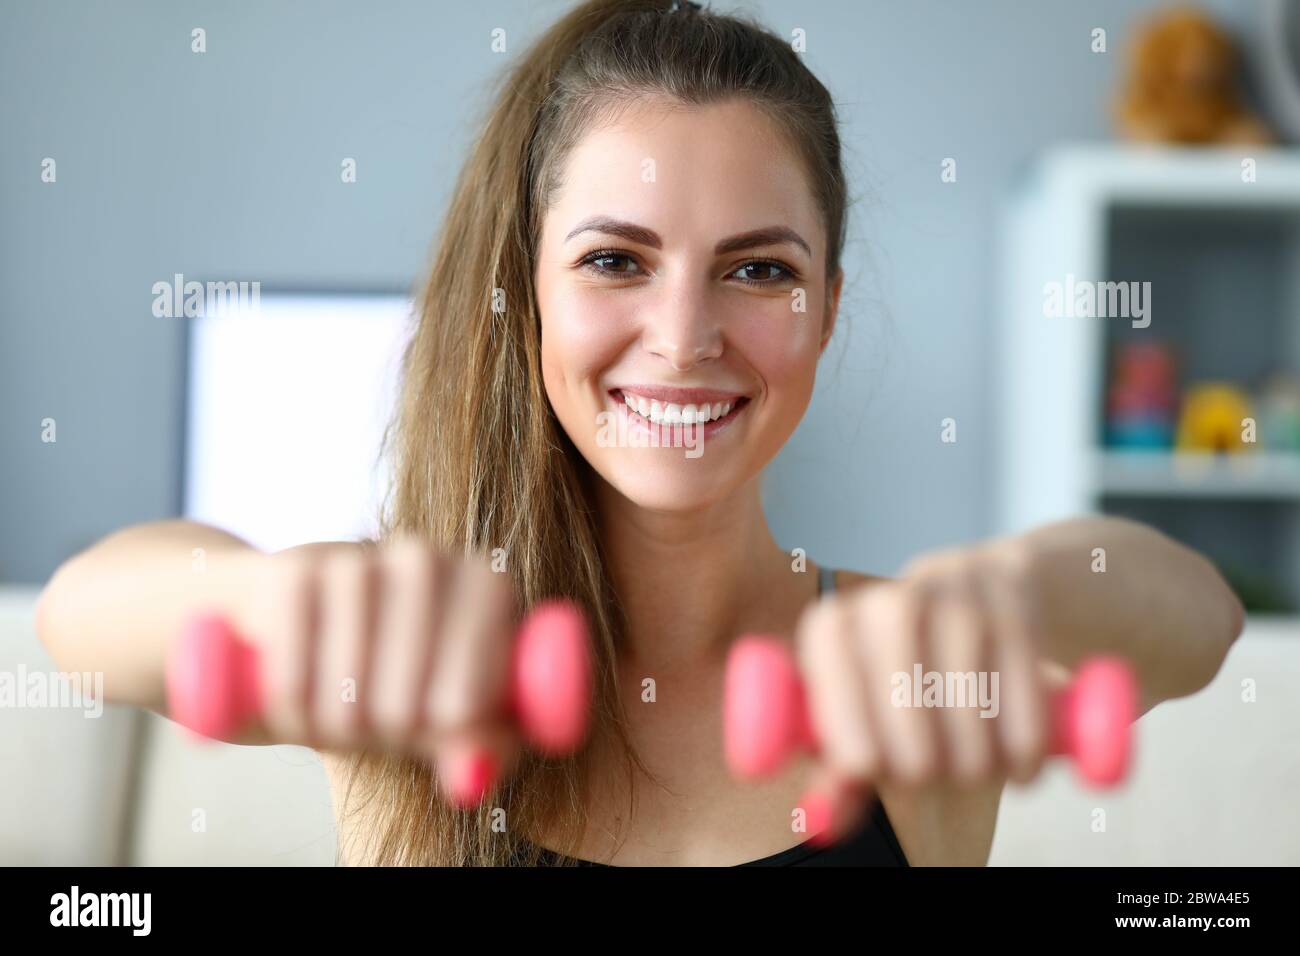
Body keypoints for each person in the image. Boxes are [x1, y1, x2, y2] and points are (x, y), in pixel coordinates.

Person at [35, 0, 1244, 867]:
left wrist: (1024, 586)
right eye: (615, 259)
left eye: (756, 270)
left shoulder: (909, 670)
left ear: (823, 306)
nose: (683, 335)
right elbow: (79, 614)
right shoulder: (409, 654)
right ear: (526, 289)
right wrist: (258, 604)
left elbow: (1196, 620)